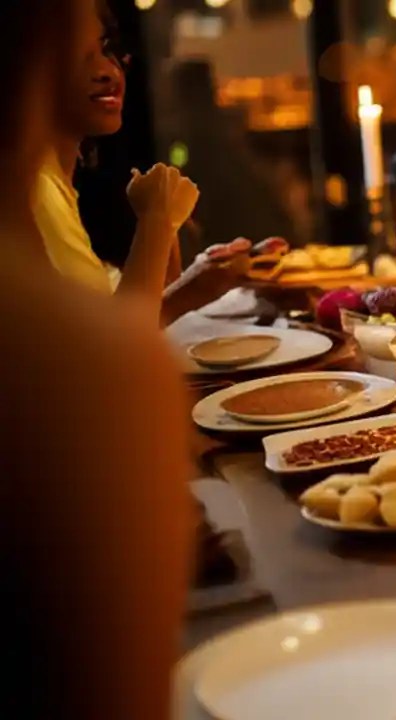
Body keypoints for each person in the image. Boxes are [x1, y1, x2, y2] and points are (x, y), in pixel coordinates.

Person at [1, 0, 193, 717]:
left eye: (112, 50)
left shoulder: (49, 192)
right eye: (85, 46)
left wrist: (183, 269)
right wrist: (156, 223)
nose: (106, 67)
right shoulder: (31, 209)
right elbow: (122, 341)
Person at [34, 0, 249, 324]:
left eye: (105, 48)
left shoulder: (54, 181)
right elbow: (115, 349)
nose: (107, 71)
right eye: (77, 55)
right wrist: (156, 219)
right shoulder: (35, 189)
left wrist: (195, 282)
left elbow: (118, 323)